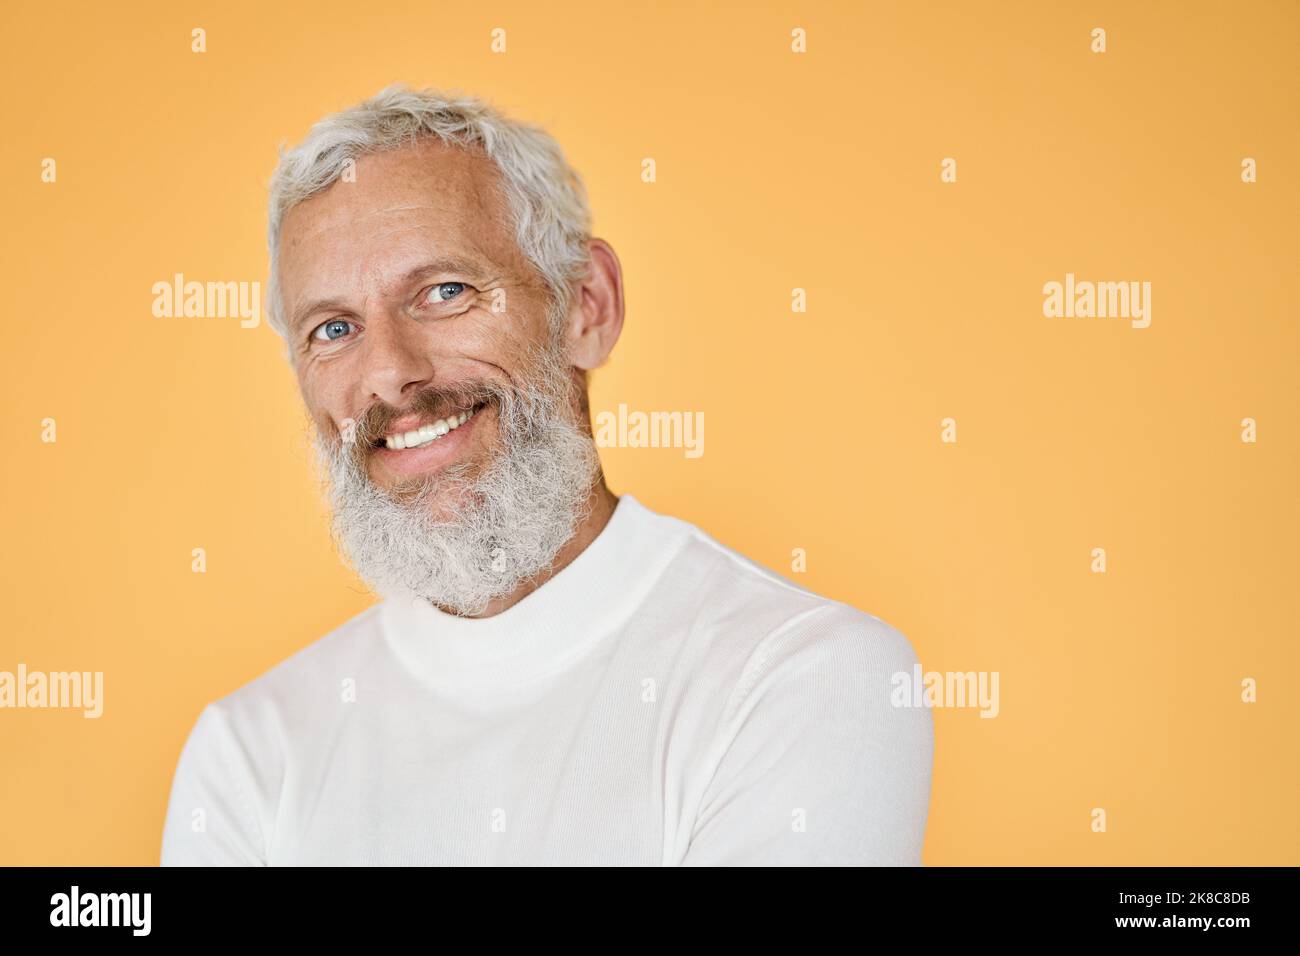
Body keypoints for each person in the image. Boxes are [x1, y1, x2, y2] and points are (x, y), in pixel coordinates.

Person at [160, 84, 933, 865]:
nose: (389, 374)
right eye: (334, 329)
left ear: (586, 306)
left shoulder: (803, 674)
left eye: (445, 292)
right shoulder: (248, 756)